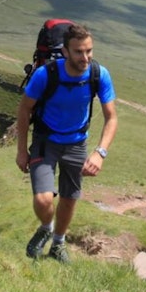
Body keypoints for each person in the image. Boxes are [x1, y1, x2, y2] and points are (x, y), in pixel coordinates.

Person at [15, 23, 117, 263]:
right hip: (45, 140)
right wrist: (21, 150)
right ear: (65, 52)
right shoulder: (45, 75)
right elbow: (24, 110)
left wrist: (100, 153)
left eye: (89, 51)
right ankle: (46, 228)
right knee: (43, 199)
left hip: (77, 143)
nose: (85, 57)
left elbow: (111, 117)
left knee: (69, 199)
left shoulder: (98, 74)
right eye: (79, 52)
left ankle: (58, 244)